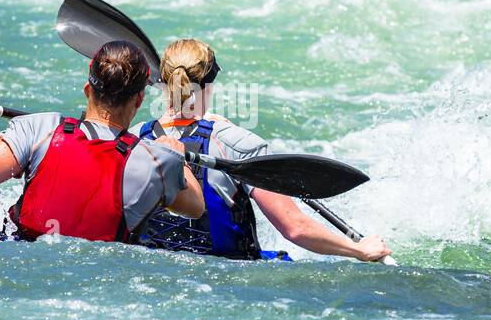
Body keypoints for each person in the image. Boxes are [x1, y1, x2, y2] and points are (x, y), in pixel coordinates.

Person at [133, 38, 392, 262]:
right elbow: (295, 228)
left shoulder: (134, 139)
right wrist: (358, 249)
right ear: (210, 84)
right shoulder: (235, 143)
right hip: (228, 278)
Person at [0, 40, 204, 243]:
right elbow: (195, 208)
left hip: (17, 254)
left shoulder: (41, 130)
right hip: (100, 280)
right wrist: (177, 157)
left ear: (88, 90)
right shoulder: (158, 161)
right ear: (139, 100)